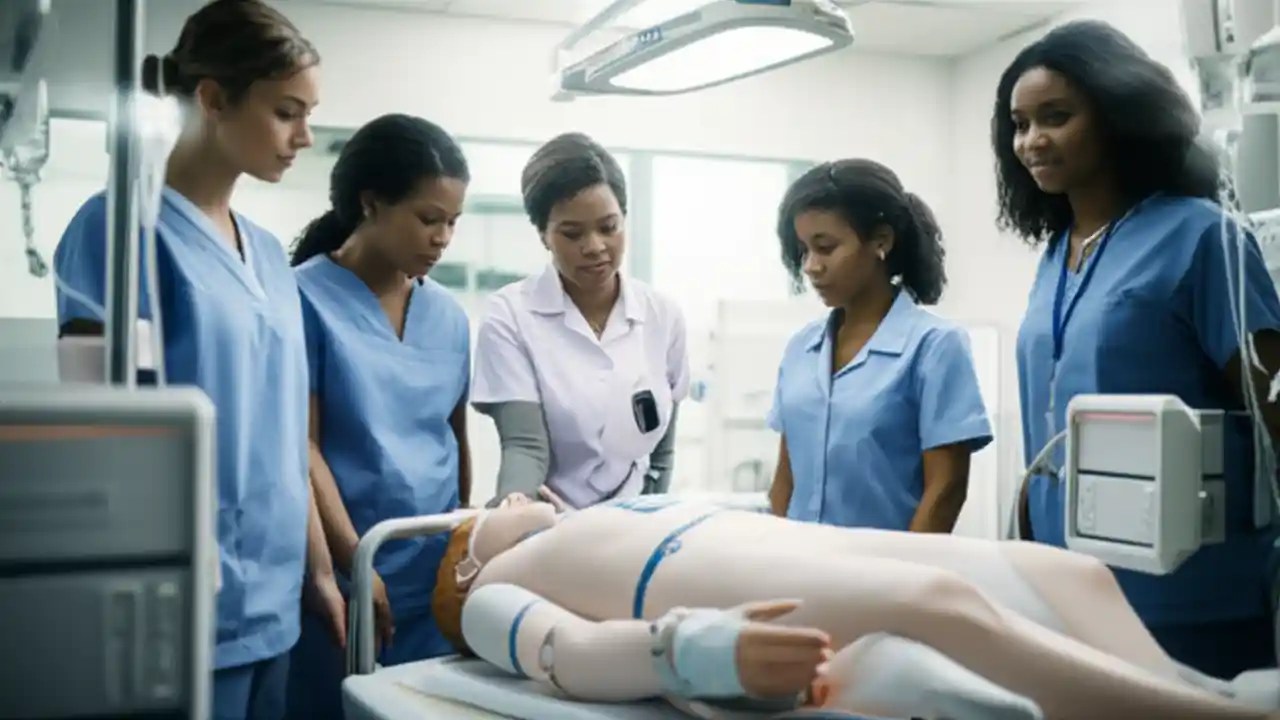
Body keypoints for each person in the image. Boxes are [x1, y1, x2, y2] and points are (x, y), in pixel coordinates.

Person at [51, 1, 325, 718]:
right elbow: (96, 438)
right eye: (286, 112)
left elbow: (284, 433)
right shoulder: (119, 231)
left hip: (276, 600)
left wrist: (320, 571)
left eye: (308, 115)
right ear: (212, 99)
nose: (304, 136)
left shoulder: (270, 255)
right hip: (180, 599)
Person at [429, 494, 1280, 720]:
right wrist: (689, 650)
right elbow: (566, 657)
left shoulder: (601, 509)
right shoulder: (492, 590)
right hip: (689, 577)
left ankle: (1196, 686)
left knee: (1067, 572)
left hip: (791, 539)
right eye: (494, 507)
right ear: (464, 559)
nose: (517, 497)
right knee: (934, 603)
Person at [994, 19, 1280, 678]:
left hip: (1189, 597)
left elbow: (1274, 406)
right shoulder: (1056, 255)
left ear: (1118, 116)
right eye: (1020, 124)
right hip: (1065, 587)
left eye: (1056, 117)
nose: (1032, 140)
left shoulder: (1201, 236)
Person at [283, 114, 472, 718]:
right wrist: (352, 564)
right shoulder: (300, 298)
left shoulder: (449, 317)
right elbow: (302, 447)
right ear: (371, 204)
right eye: (428, 218)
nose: (443, 237)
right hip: (342, 579)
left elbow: (455, 438)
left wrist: (465, 553)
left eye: (453, 222)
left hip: (434, 580)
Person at [767, 159, 993, 532]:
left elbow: (946, 489)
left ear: (881, 241)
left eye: (825, 248)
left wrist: (903, 566)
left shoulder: (934, 347)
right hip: (797, 559)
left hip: (886, 562)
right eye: (804, 250)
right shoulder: (801, 348)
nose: (811, 266)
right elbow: (785, 480)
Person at [470, 133, 690, 509]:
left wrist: (649, 518)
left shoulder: (662, 316)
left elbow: (661, 454)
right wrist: (516, 510)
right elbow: (525, 446)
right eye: (572, 234)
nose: (594, 247)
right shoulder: (510, 316)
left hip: (635, 523)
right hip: (550, 519)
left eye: (608, 227)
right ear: (543, 235)